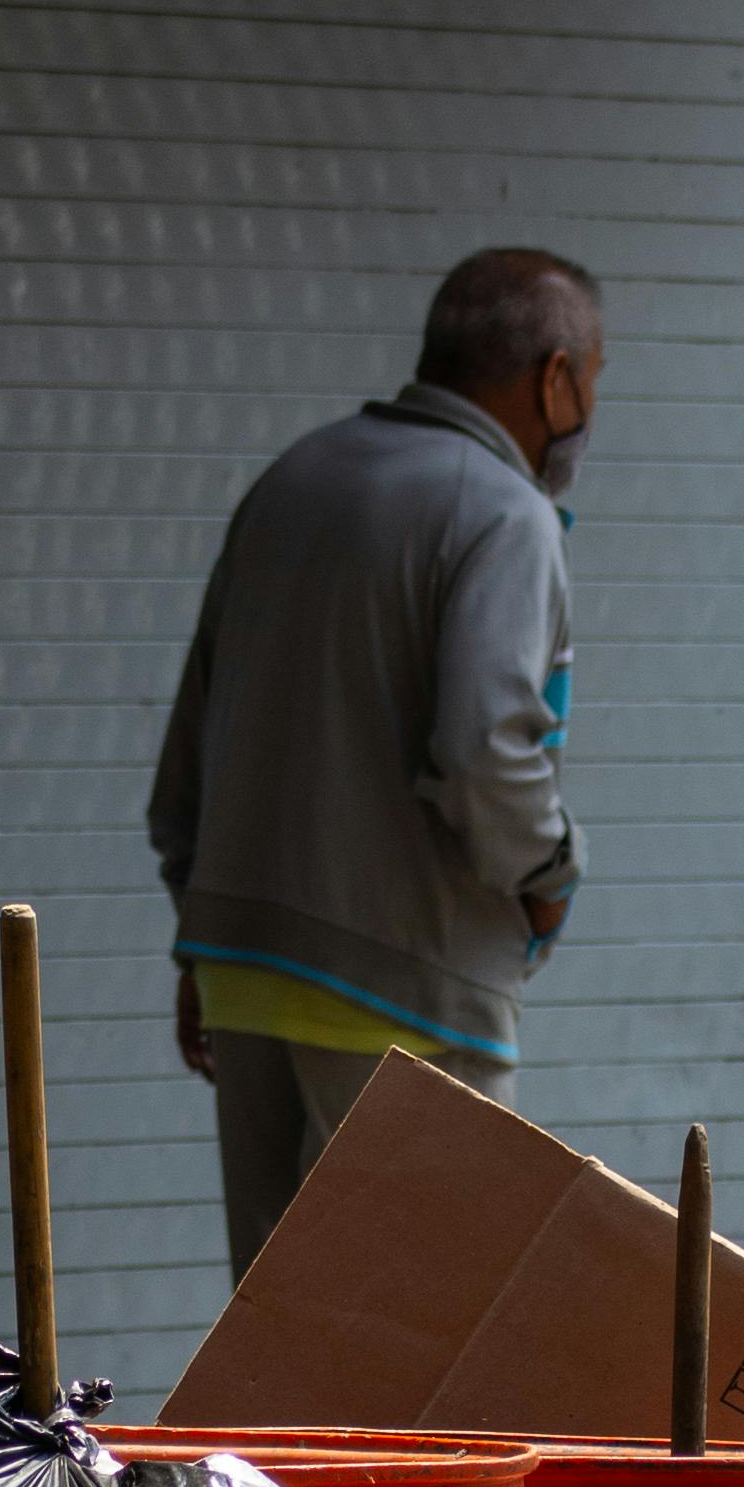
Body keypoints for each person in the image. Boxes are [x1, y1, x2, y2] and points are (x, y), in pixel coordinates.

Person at [151, 249, 598, 1277]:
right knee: (422, 1350)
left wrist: (201, 937)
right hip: (408, 995)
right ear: (554, 376)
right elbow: (487, 752)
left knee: (276, 1364)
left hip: (245, 973)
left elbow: (192, 749)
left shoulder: (294, 480)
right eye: (594, 380)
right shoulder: (503, 513)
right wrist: (549, 875)